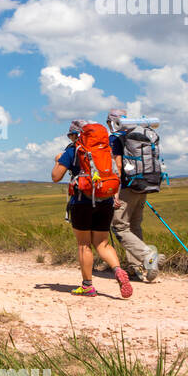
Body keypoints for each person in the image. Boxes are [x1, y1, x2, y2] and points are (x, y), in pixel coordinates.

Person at [51, 120, 133, 298]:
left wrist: (58, 161)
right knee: (102, 243)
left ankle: (87, 286)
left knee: (83, 244)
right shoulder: (105, 150)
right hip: (105, 200)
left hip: (82, 201)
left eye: (71, 135)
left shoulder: (72, 151)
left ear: (76, 135)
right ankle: (118, 270)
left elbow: (56, 177)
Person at [107, 109, 162, 282]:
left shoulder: (116, 138)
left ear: (112, 122)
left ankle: (147, 255)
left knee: (120, 226)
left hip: (126, 187)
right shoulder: (141, 134)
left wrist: (114, 193)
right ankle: (137, 268)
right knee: (135, 225)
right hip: (143, 185)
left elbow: (117, 164)